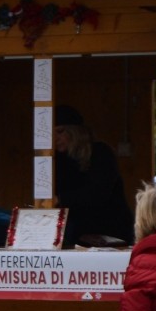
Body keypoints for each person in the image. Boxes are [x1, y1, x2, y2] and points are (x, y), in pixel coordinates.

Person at [53, 104, 134, 247]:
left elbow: (98, 193)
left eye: (60, 132)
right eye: (52, 133)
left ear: (75, 132)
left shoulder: (100, 153)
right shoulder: (57, 160)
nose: (55, 138)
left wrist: (60, 199)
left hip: (110, 231)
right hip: (76, 234)